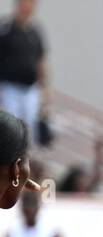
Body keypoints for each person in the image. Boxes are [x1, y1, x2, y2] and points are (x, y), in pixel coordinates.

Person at [0, 0, 44, 142]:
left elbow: (40, 61)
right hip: (10, 87)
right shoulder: (6, 28)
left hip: (30, 88)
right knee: (11, 127)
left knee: (30, 129)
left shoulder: (35, 32)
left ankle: (24, 160)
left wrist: (45, 91)